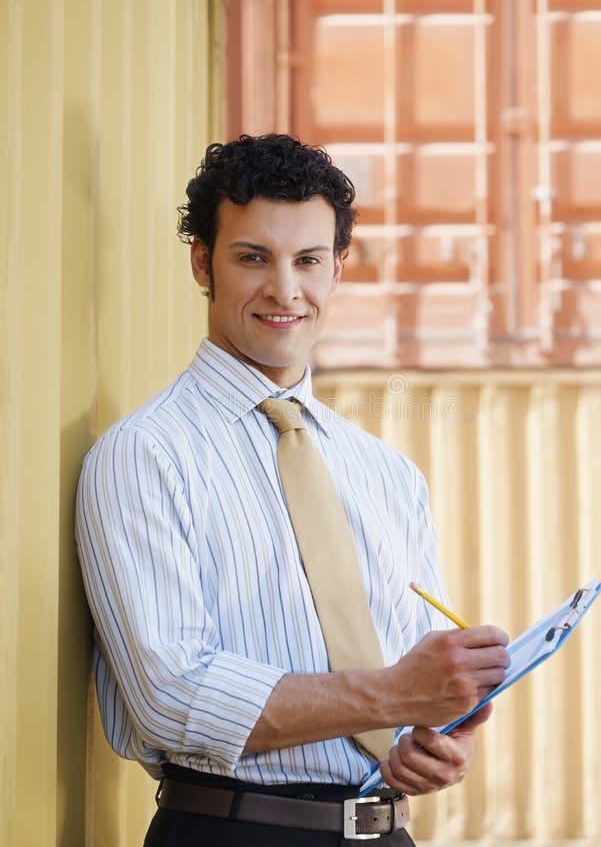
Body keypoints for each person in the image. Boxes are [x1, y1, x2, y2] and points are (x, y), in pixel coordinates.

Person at [75, 133, 510, 846]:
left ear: (337, 269)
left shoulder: (386, 472)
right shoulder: (144, 455)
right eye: (253, 258)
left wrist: (438, 738)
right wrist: (394, 692)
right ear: (202, 264)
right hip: (230, 831)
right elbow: (169, 699)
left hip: (385, 831)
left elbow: (415, 676)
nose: (285, 289)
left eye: (308, 260)